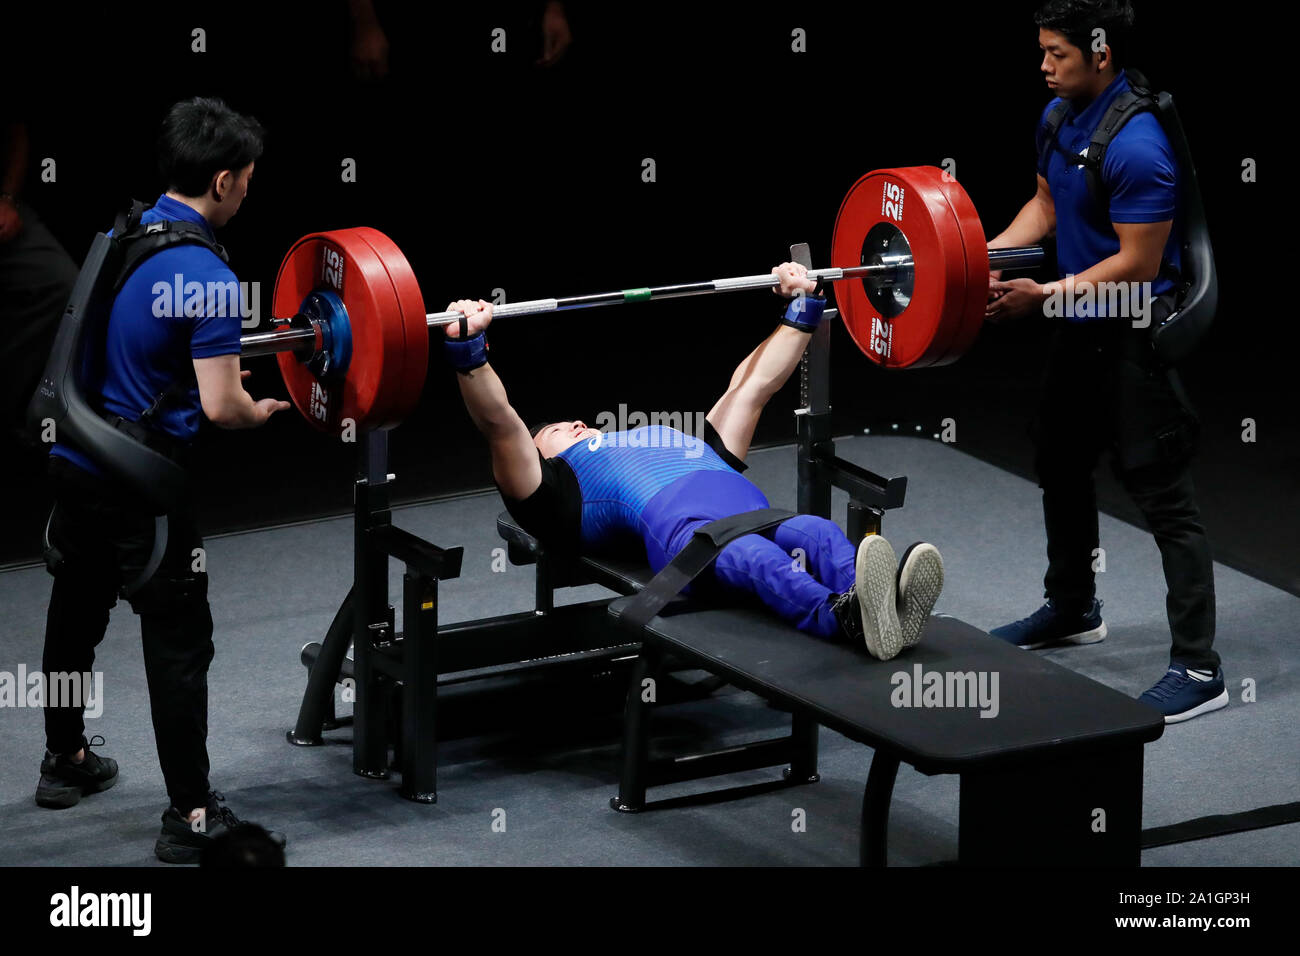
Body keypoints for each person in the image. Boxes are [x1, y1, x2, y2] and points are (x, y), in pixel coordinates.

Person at [443, 264, 945, 661]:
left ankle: (879, 608)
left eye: (572, 421)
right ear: (540, 456)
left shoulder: (674, 441)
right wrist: (469, 349)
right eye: (554, 430)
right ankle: (843, 619)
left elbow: (753, 387)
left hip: (755, 513)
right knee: (757, 559)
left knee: (817, 532)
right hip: (693, 541)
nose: (573, 424)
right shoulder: (557, 489)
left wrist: (803, 306)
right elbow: (500, 422)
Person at [36, 97, 291, 862]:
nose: (249, 191)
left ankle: (66, 760)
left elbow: (129, 342)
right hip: (141, 486)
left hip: (77, 459)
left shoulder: (125, 230)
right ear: (221, 181)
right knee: (180, 643)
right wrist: (263, 408)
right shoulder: (208, 274)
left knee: (73, 614)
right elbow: (221, 407)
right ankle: (189, 818)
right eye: (247, 180)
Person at [984, 0, 1225, 723]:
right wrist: (973, 261)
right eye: (1041, 51)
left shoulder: (1139, 143)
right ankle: (1072, 606)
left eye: (1057, 53)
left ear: (1101, 55)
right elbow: (1046, 208)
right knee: (1059, 460)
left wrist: (1045, 295)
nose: (1044, 66)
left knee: (1163, 497)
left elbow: (1137, 261)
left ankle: (1199, 667)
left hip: (1130, 329)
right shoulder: (1057, 118)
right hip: (1076, 322)